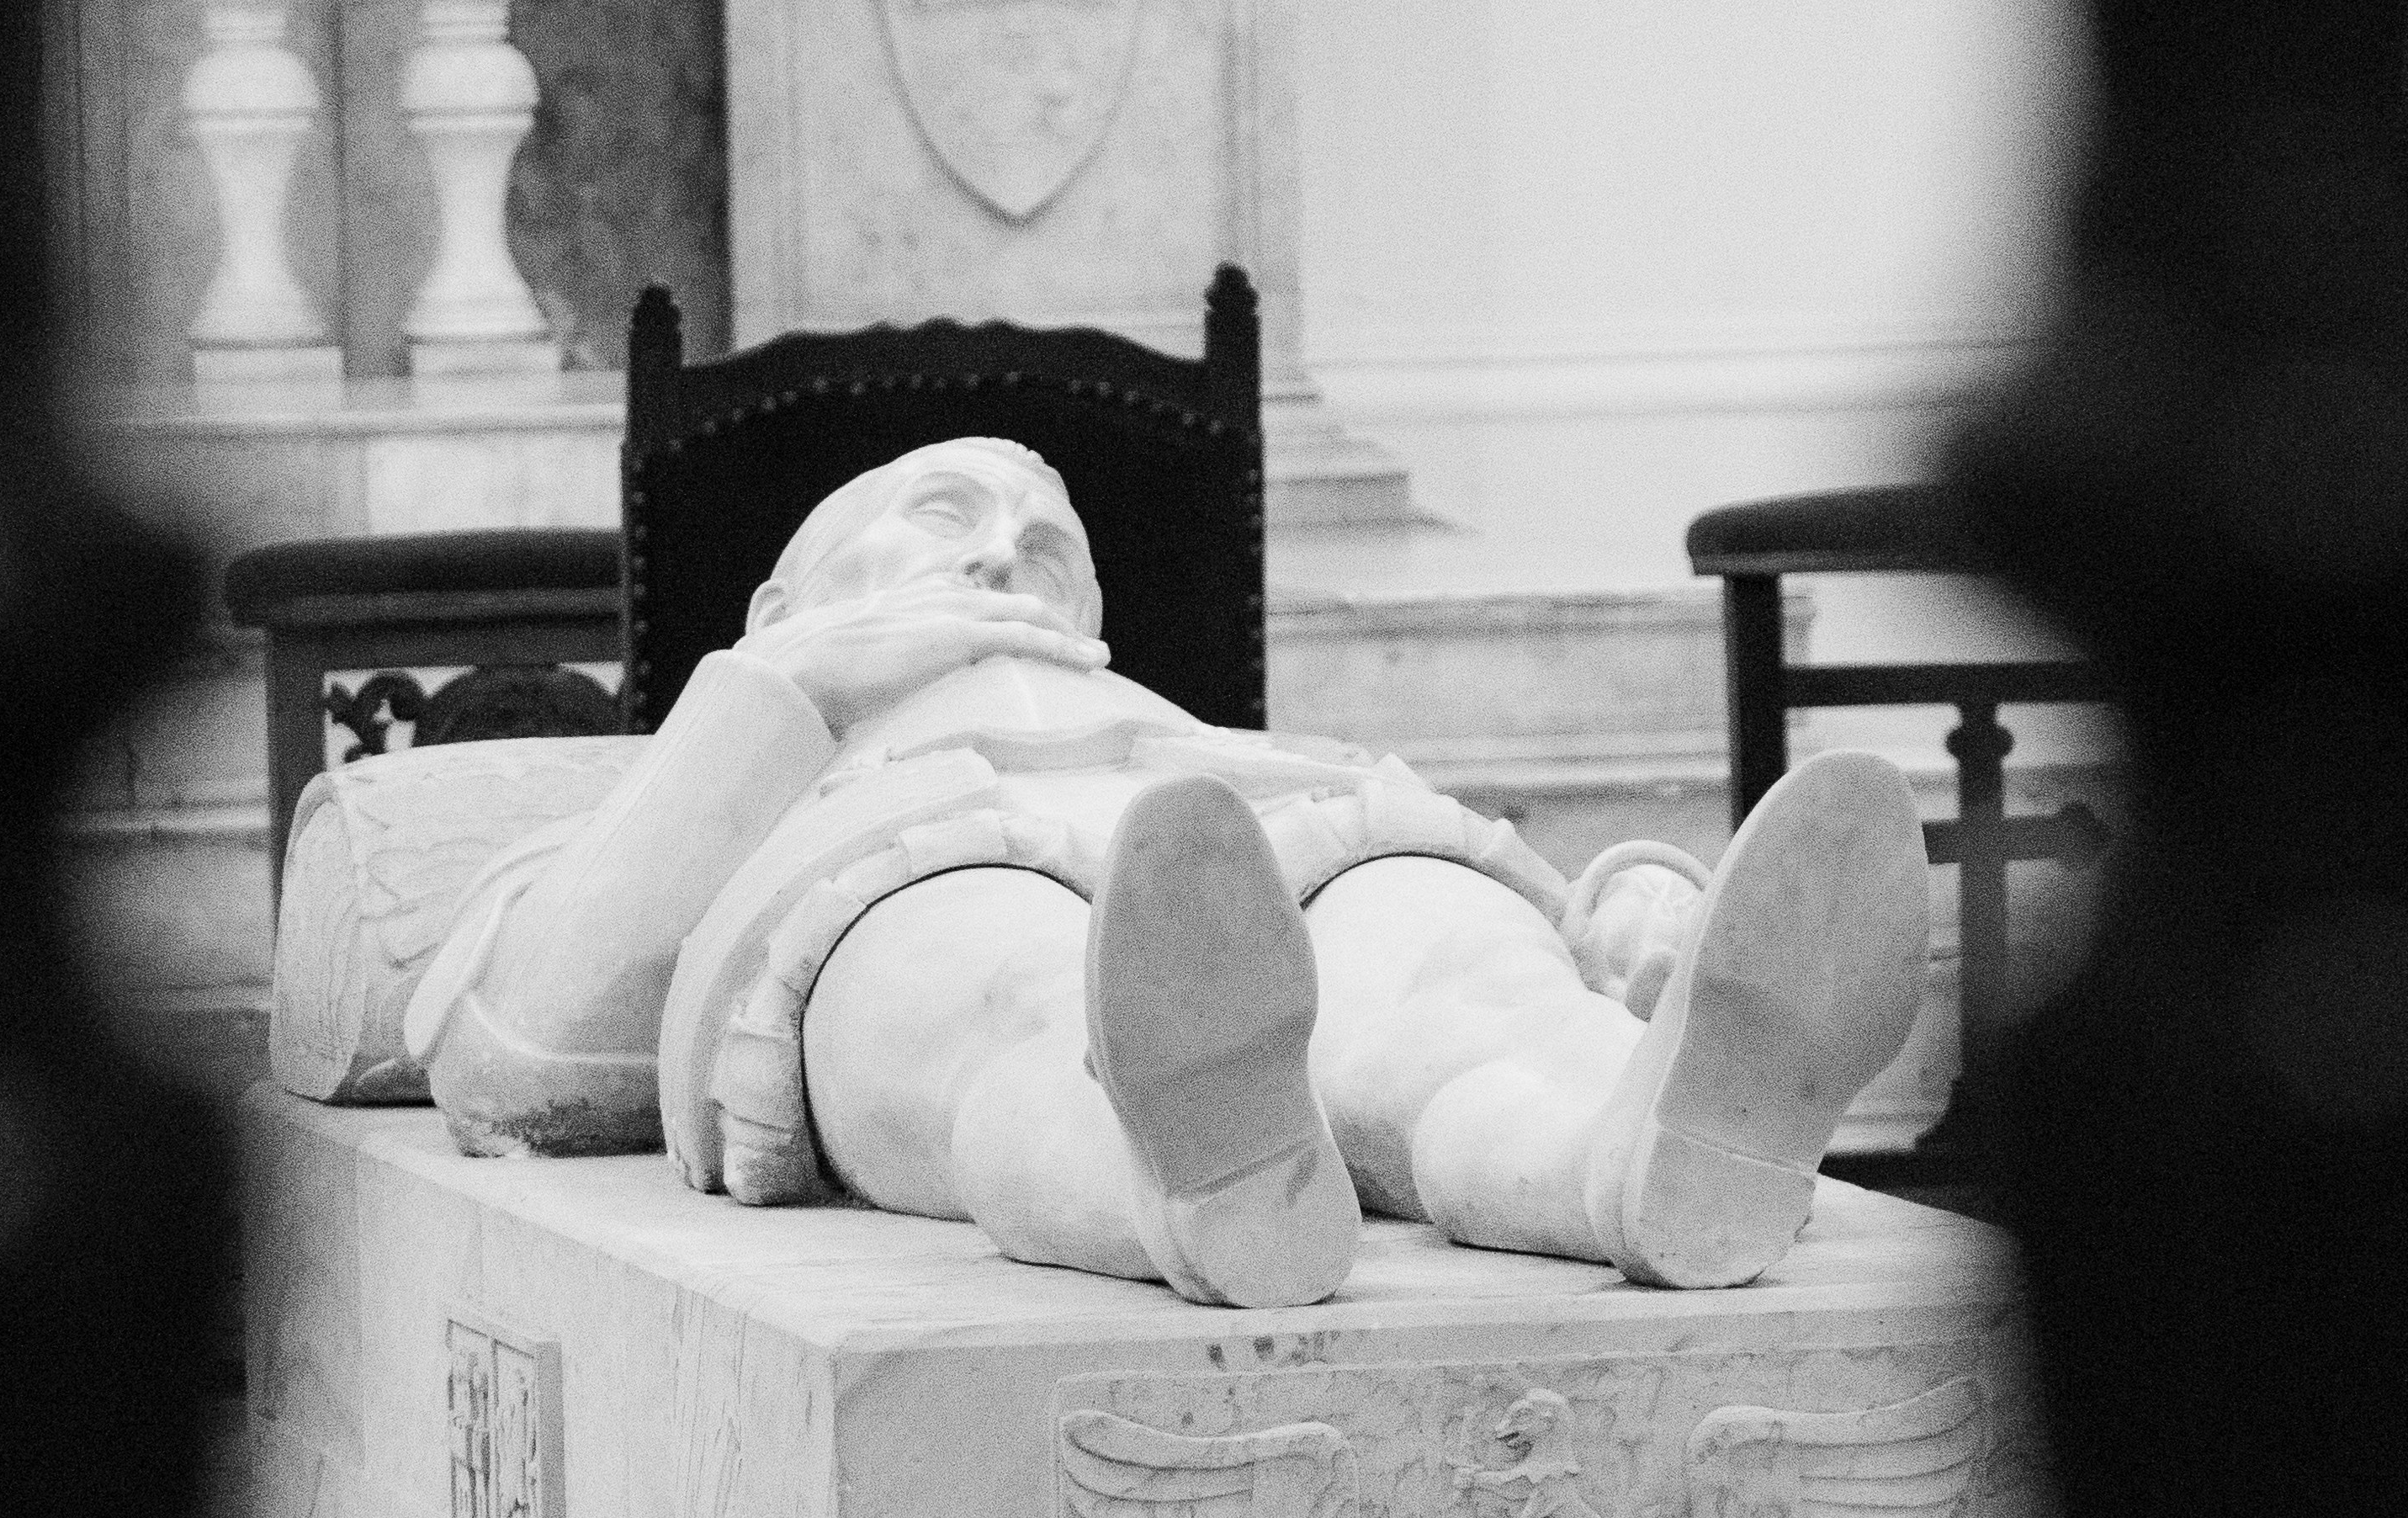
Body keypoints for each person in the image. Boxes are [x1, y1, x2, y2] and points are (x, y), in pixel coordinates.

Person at [403, 438, 1929, 1314]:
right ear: (782, 590)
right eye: (947, 519)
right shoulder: (725, 776)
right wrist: (777, 683)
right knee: (1020, 1011)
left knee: (1468, 991)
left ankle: (1625, 1156)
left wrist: (1625, 926)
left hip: (1259, 820)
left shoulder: (1184, 726)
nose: (1006, 560)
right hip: (896, 855)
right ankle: (1188, 1182)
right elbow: (512, 1058)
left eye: (1048, 548)